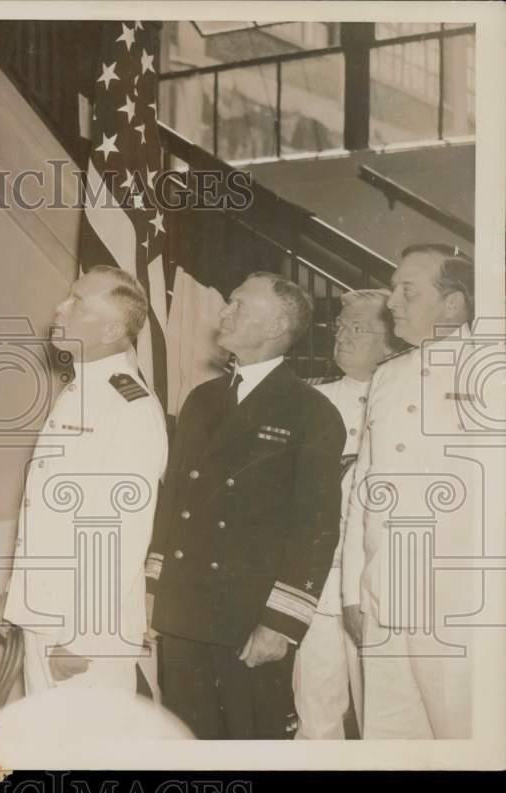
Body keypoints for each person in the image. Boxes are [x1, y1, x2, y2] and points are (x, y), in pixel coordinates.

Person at [147, 271, 346, 739]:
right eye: (228, 301)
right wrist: (155, 588)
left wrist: (280, 623)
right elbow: (173, 502)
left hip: (248, 617)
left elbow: (315, 530)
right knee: (186, 738)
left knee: (250, 742)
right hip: (185, 608)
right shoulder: (202, 400)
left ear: (277, 326)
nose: (224, 312)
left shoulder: (311, 412)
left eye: (239, 304)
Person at [0, 266, 168, 696]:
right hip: (47, 613)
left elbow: (120, 534)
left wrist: (82, 636)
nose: (60, 307)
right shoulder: (81, 391)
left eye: (78, 302)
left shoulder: (128, 406)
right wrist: (18, 594)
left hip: (84, 634)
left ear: (112, 328)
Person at [342, 244, 479, 739]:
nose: (391, 301)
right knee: (388, 737)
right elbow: (365, 486)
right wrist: (354, 587)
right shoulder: (388, 375)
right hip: (385, 594)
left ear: (453, 304)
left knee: (462, 736)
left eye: (408, 290)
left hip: (462, 604)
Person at [291, 289, 406, 740]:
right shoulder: (310, 400)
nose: (343, 336)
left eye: (358, 328)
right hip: (319, 575)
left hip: (378, 579)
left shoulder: (404, 402)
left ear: (393, 342)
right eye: (340, 327)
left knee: (384, 711)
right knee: (315, 705)